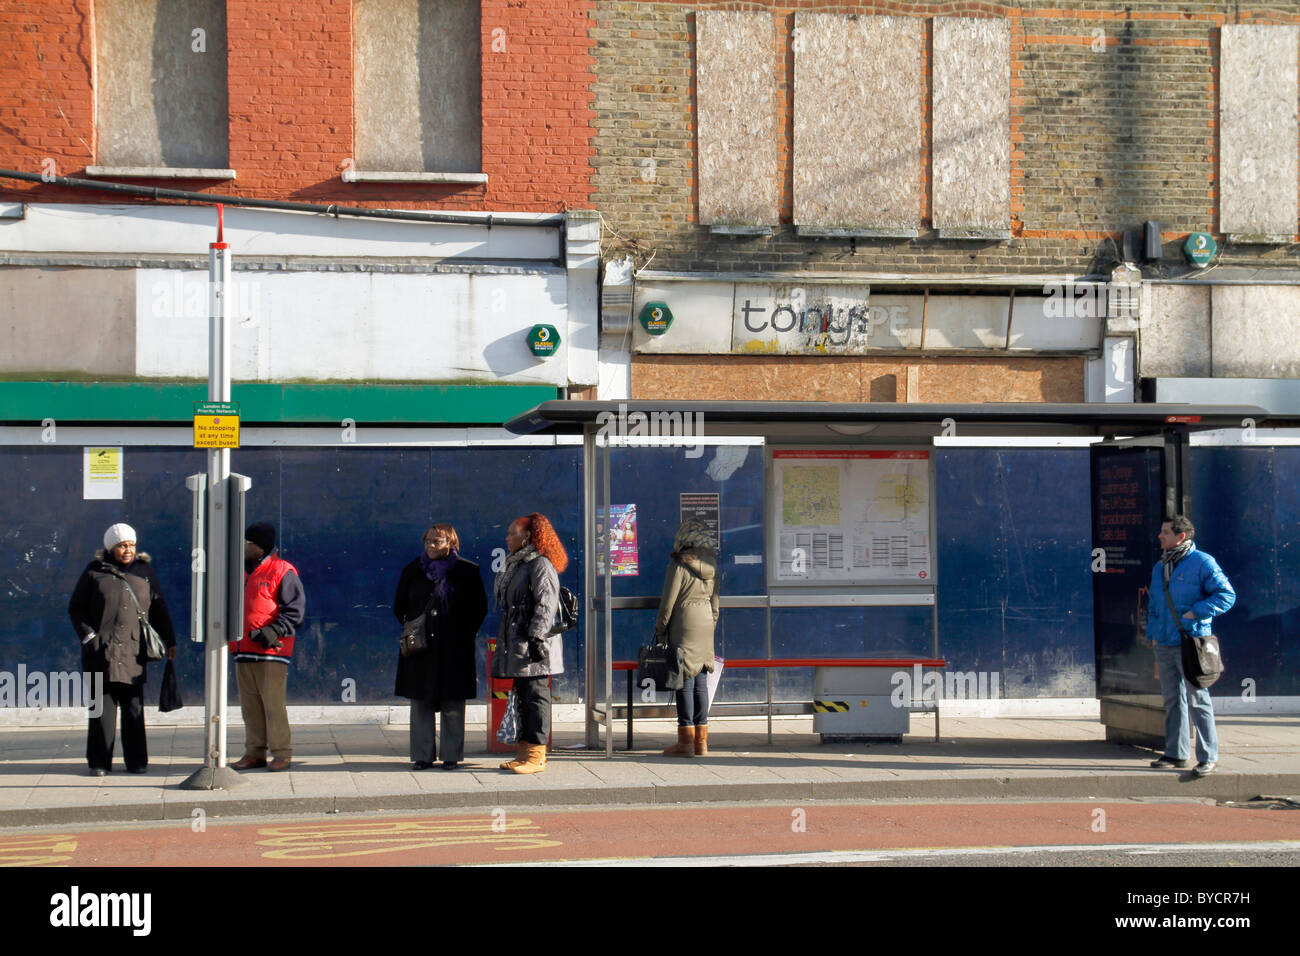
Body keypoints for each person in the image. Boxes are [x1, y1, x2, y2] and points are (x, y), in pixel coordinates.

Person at [67, 522, 177, 776]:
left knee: (133, 709)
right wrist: (89, 637)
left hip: (133, 652)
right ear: (110, 547)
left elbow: (159, 608)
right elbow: (76, 607)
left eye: (131, 544)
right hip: (100, 653)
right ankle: (99, 762)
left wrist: (170, 641)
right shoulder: (94, 571)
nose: (128, 549)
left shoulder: (144, 570)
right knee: (100, 710)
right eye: (121, 545)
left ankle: (137, 761)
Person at [1143, 515, 1235, 777]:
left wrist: (1197, 612)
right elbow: (1154, 603)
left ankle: (1208, 757)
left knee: (1198, 699)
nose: (1160, 536)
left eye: (1165, 532)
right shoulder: (1160, 565)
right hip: (1164, 641)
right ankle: (1175, 753)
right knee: (1173, 699)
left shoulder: (1203, 562)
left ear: (1181, 536)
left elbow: (1227, 595)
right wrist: (1152, 633)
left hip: (1191, 641)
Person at [392, 524, 488, 770]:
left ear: (451, 543)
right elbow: (399, 606)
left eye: (437, 541)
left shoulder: (467, 571)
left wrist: (462, 632)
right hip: (421, 647)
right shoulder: (412, 570)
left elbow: (479, 608)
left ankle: (451, 755)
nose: (431, 546)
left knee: (452, 701)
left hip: (454, 647)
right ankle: (422, 755)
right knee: (421, 701)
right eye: (428, 541)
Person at [492, 513, 567, 774]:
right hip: (518, 642)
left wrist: (536, 638)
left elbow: (546, 604)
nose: (507, 537)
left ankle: (537, 755)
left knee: (536, 696)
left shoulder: (539, 564)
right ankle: (524, 752)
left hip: (534, 643)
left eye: (512, 533)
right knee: (523, 695)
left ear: (526, 537)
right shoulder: (518, 564)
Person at [230, 522, 305, 772]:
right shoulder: (238, 572)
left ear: (259, 548)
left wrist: (274, 630)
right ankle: (255, 753)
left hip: (271, 652)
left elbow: (295, 610)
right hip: (242, 649)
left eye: (247, 543)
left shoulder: (282, 571)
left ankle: (282, 753)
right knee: (250, 707)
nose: (242, 547)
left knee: (273, 705)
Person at [655, 518, 720, 757]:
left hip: (684, 623)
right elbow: (716, 605)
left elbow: (668, 602)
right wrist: (710, 625)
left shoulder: (678, 565)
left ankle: (685, 742)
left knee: (683, 681)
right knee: (701, 680)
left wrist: (661, 628)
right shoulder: (712, 566)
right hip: (704, 623)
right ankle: (701, 743)